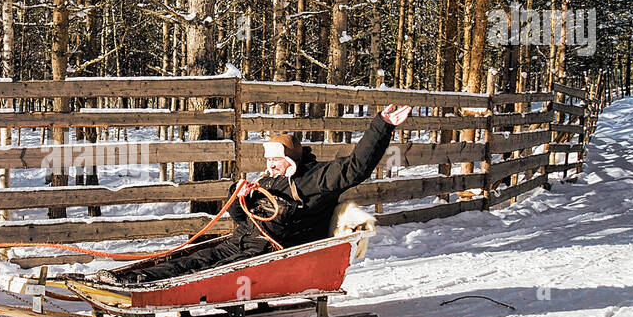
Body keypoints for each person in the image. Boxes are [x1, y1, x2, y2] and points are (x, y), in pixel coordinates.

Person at [98, 104, 412, 285]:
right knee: (194, 257)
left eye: (276, 161)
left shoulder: (315, 180)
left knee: (203, 270)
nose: (270, 167)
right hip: (244, 240)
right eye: (269, 161)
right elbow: (242, 220)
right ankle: (123, 278)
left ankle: (139, 286)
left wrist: (380, 127)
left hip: (273, 251)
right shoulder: (270, 180)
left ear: (290, 159)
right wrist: (238, 199)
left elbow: (356, 167)